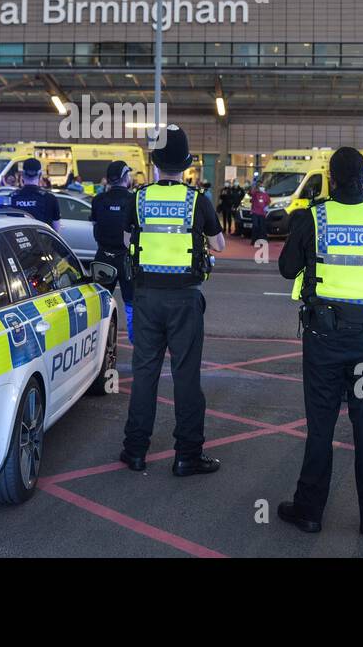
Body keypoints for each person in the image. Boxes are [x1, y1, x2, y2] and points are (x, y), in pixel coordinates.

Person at [276, 146, 363, 536]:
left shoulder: (312, 217)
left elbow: (287, 269)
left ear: (331, 179)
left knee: (321, 426)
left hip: (323, 339)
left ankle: (309, 511)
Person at [120, 125, 225, 477]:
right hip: (185, 301)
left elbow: (125, 240)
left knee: (145, 375)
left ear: (155, 162)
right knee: (186, 378)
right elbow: (220, 245)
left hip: (147, 297)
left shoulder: (138, 198)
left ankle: (135, 451)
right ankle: (187, 455)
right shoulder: (198, 201)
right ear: (186, 164)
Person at [90, 160, 137, 342]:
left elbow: (95, 227)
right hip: (127, 259)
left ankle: (98, 341)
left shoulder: (99, 200)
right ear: (126, 177)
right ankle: (135, 341)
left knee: (101, 302)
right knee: (131, 303)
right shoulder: (133, 199)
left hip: (103, 256)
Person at [8, 158, 60, 227]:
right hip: (42, 237)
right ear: (40, 175)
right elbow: (56, 229)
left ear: (22, 174)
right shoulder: (50, 198)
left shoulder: (11, 197)